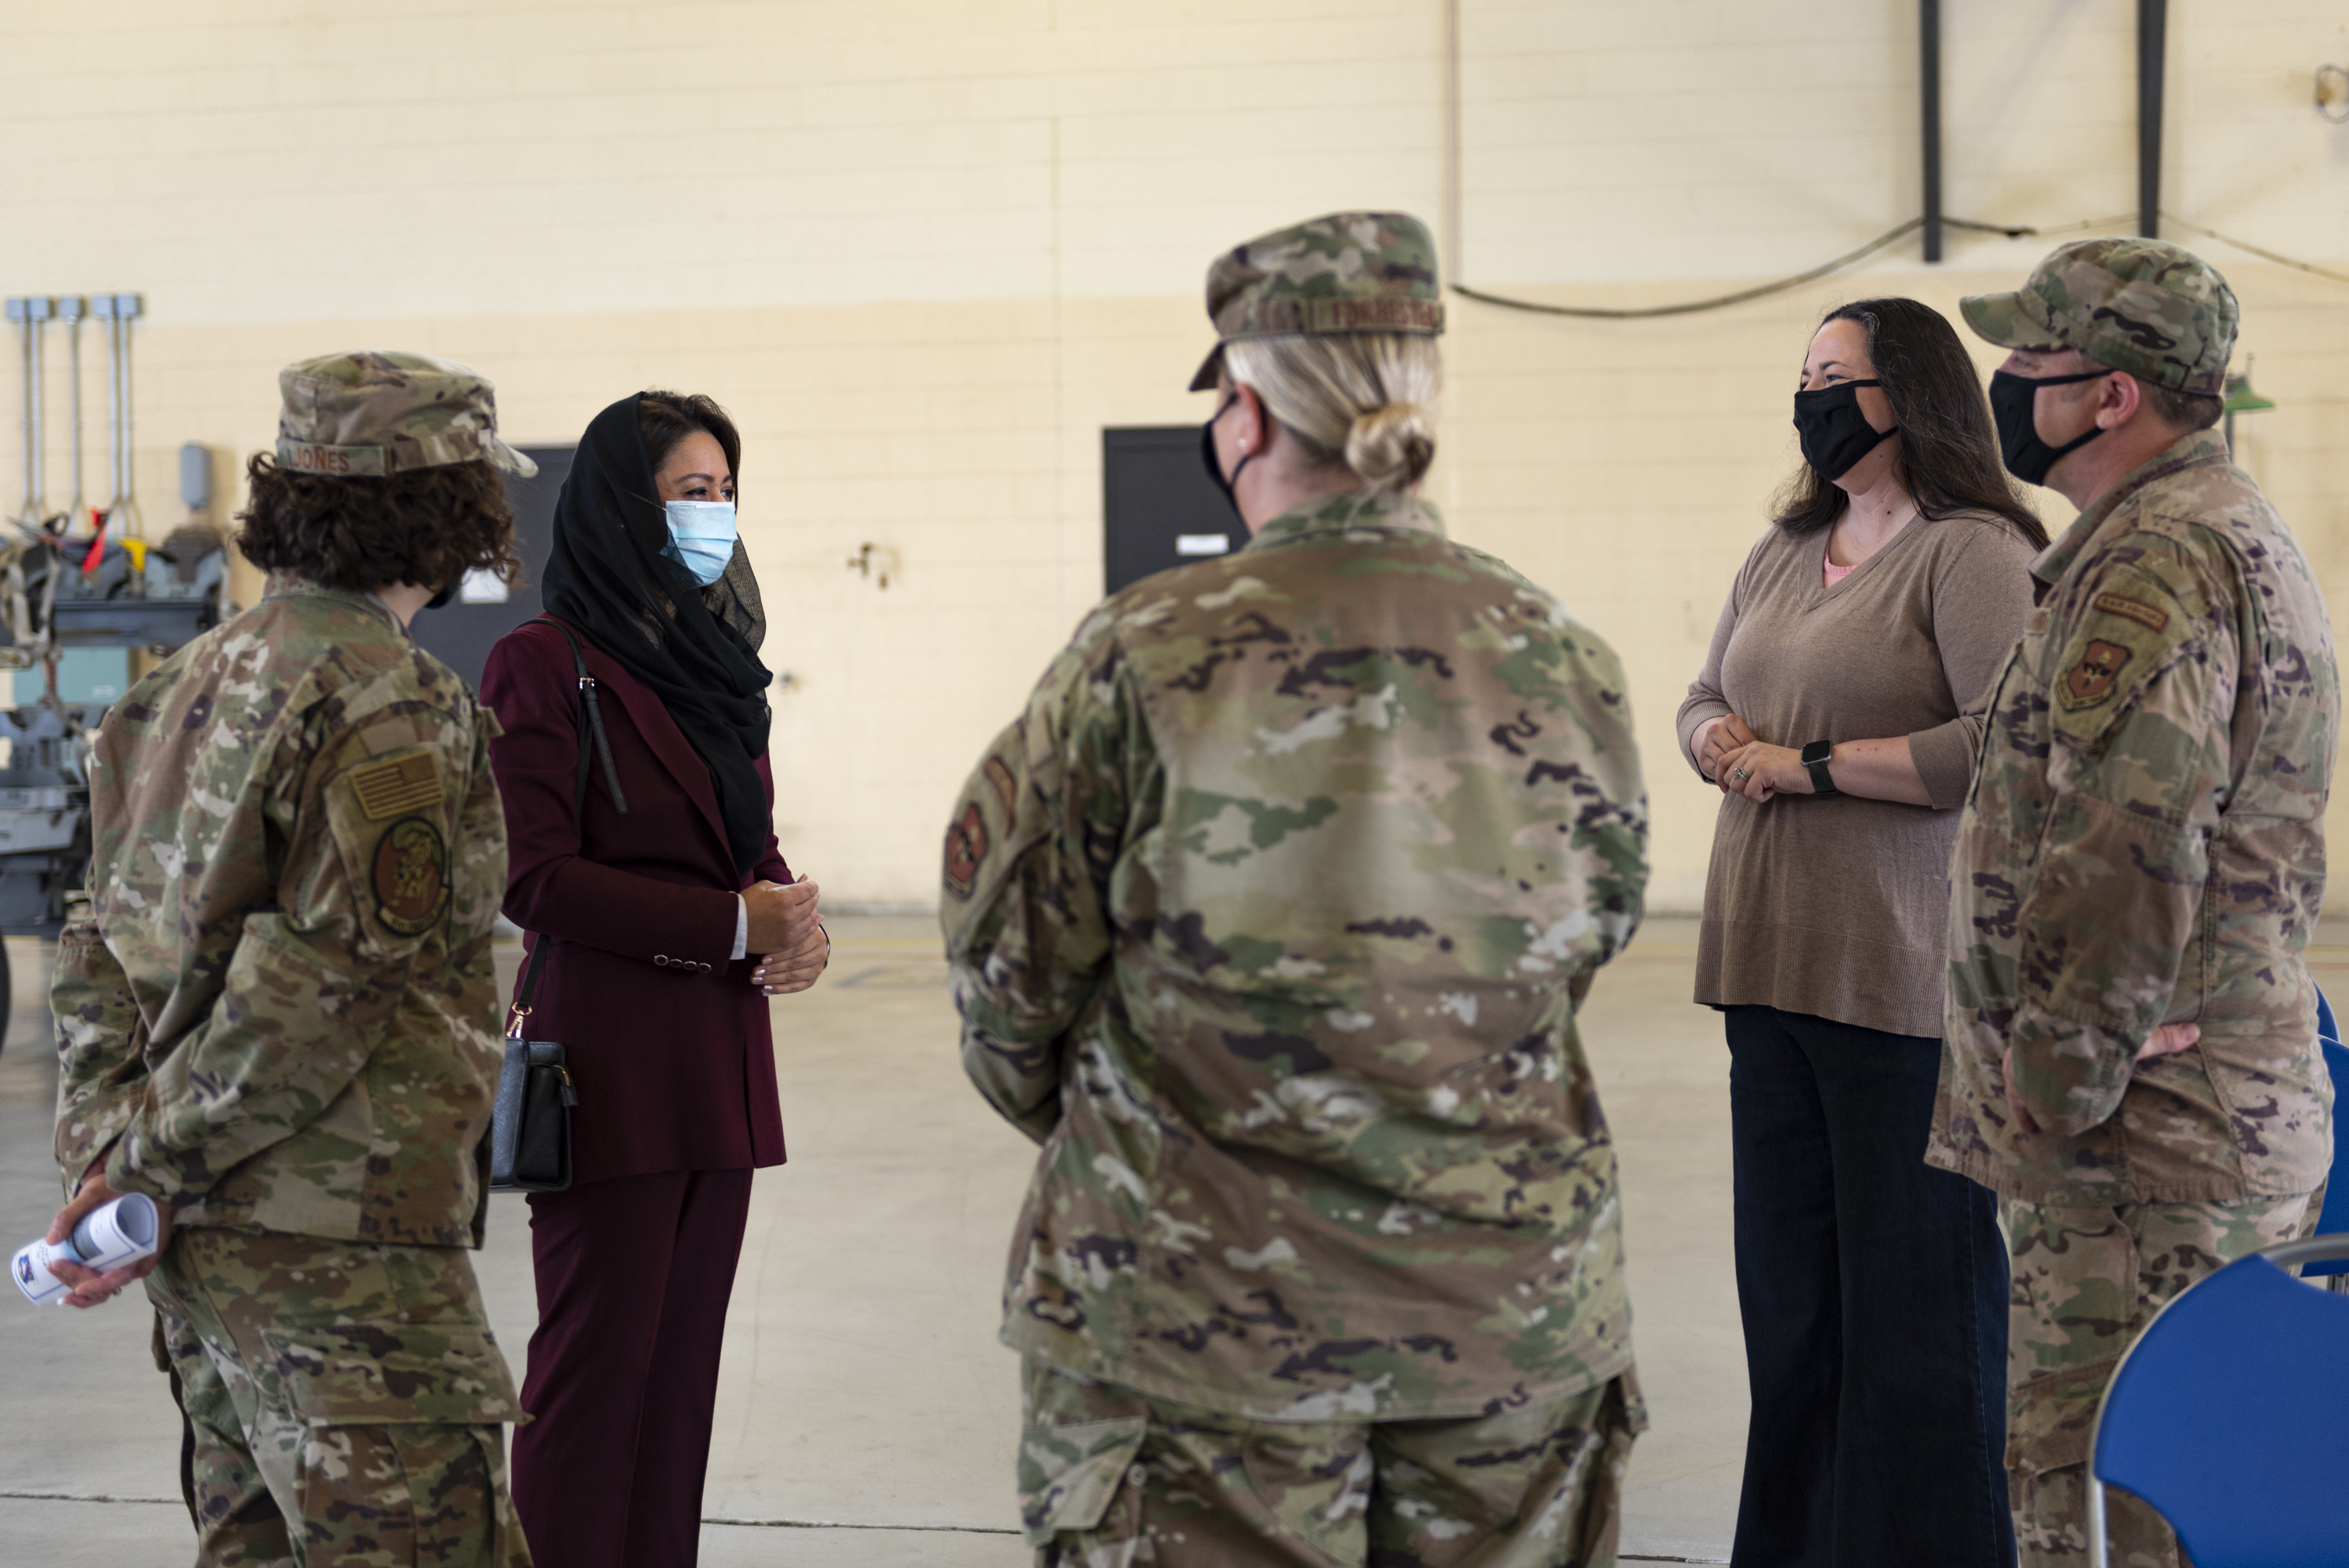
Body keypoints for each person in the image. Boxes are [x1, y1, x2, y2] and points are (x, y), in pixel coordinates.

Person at [942, 211, 1651, 1567]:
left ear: (1247, 413)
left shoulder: (1147, 654)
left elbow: (1009, 978)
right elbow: (1589, 934)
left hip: (1203, 1324)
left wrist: (1139, 1123)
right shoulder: (1563, 655)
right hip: (1507, 1315)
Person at [46, 350, 536, 1566]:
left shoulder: (165, 699)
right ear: (446, 505)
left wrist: (114, 1159)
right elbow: (322, 987)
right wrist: (141, 1170)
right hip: (342, 1261)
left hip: (203, 1263)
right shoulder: (394, 702)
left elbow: (93, 949)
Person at [1935, 237, 2337, 1566]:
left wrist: (2055, 1085)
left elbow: (2130, 852)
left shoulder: (2156, 563)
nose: (2003, 379)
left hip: (2143, 1156)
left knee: (2105, 1516)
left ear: (2113, 396)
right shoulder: (2202, 529)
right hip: (2188, 1123)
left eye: (2032, 359)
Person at [1676, 300, 2045, 1566]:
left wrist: (1813, 766)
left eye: (1836, 376)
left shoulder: (1973, 551)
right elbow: (1704, 692)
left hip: (1899, 985)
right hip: (1768, 970)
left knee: (1918, 1319)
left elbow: (2006, 745)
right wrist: (1716, 741)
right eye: (1804, 376)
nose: (1813, 397)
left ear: (1910, 394)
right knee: (1793, 1318)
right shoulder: (1789, 546)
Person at [481, 389, 827, 1568]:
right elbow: (534, 879)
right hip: (605, 1068)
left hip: (718, 1068)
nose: (714, 514)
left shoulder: (718, 664)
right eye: (690, 493)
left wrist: (790, 923)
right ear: (628, 507)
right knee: (594, 1380)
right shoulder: (541, 665)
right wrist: (731, 926)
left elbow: (746, 846)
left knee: (678, 1386)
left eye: (725, 492)